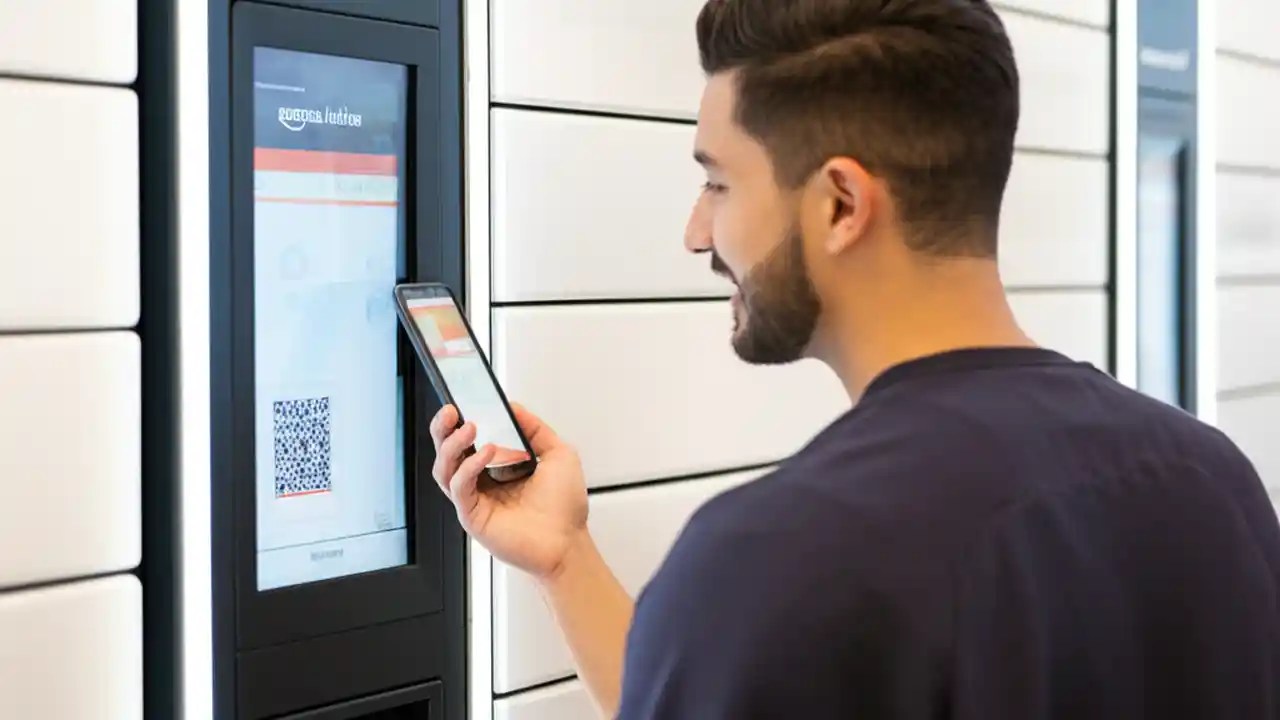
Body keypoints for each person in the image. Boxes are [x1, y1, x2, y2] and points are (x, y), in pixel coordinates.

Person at [431, 0, 1280, 717]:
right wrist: (565, 553)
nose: (697, 233)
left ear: (841, 203)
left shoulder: (774, 557)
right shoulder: (1211, 481)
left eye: (719, 183)